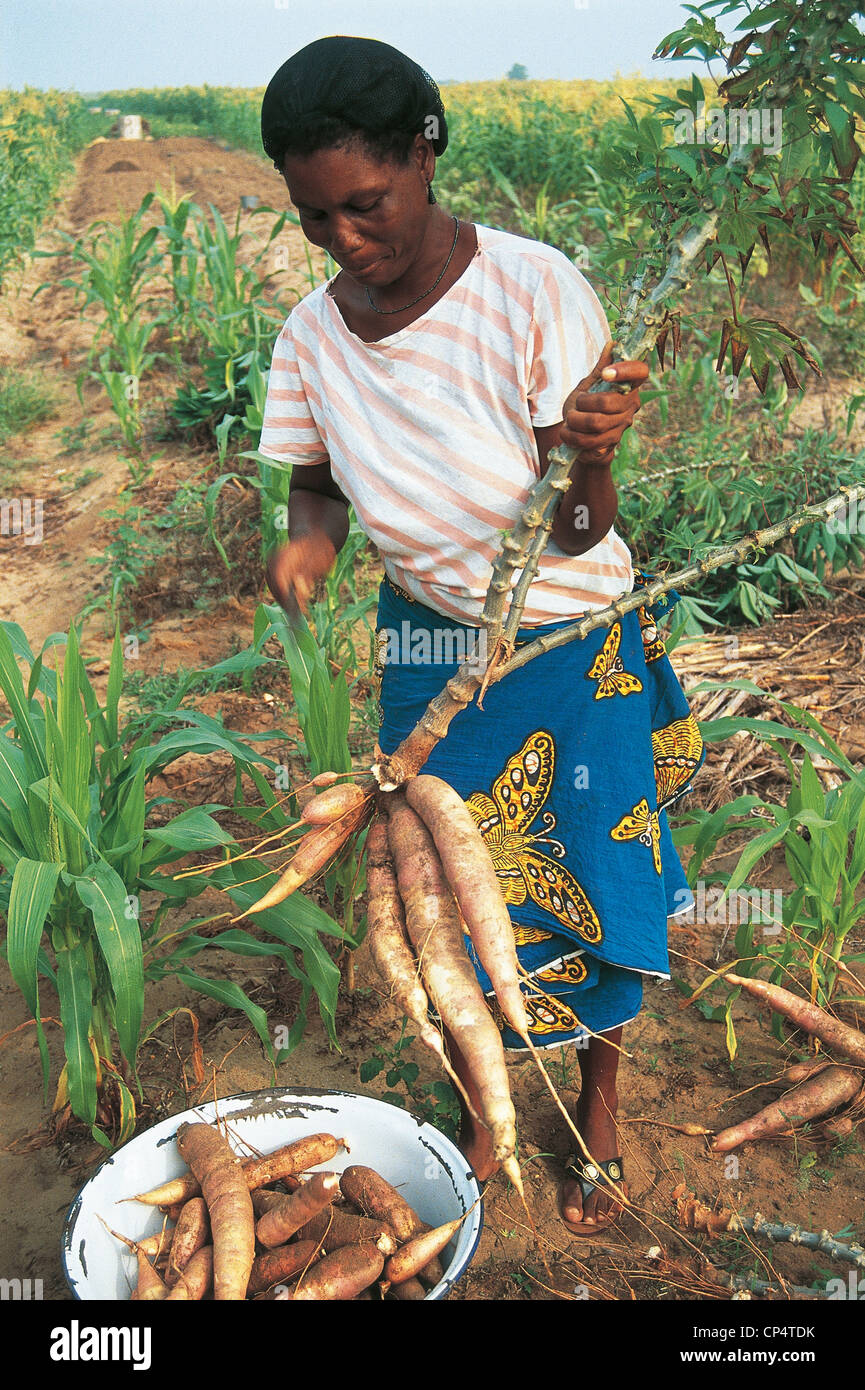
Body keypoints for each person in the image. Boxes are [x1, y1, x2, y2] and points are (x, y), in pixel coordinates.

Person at [257, 36, 705, 1235]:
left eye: (367, 205)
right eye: (314, 220)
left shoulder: (532, 289)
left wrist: (589, 455)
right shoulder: (311, 334)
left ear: (425, 152)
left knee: (597, 877)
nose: (346, 240)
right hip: (428, 647)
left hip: (571, 639)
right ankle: (482, 1106)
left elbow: (577, 527)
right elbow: (314, 484)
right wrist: (309, 548)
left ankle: (598, 1106)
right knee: (447, 909)